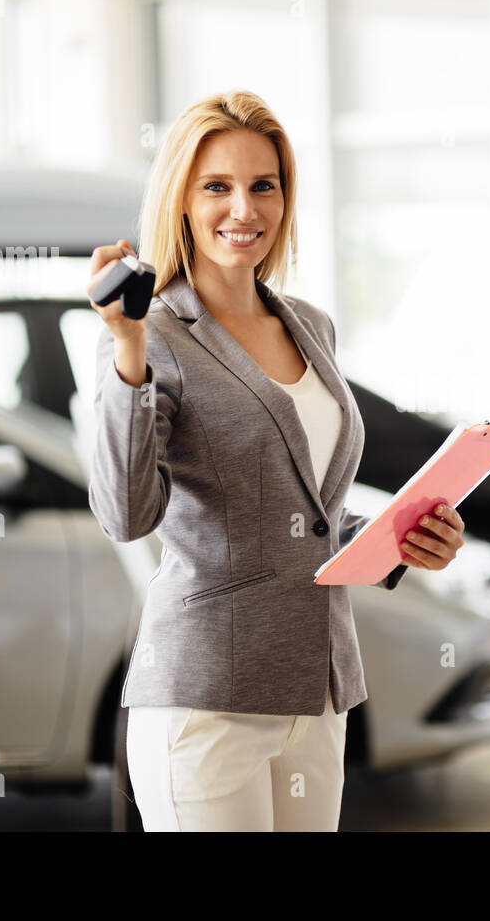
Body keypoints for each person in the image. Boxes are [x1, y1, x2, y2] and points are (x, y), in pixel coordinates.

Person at [86, 90, 466, 831]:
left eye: (264, 185)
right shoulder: (151, 331)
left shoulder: (311, 326)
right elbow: (127, 514)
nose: (244, 209)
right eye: (216, 187)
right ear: (182, 200)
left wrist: (404, 535)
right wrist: (128, 348)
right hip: (205, 695)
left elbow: (306, 511)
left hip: (317, 686)